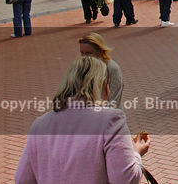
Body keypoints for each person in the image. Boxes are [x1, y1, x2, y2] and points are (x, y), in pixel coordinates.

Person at [15, 56, 149, 184]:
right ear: (101, 84)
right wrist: (136, 153)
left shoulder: (39, 125)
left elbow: (22, 179)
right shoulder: (111, 120)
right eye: (107, 83)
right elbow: (125, 179)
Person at [79, 32, 124, 106]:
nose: (84, 57)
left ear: (100, 51)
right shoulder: (82, 67)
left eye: (88, 53)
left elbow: (114, 99)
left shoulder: (111, 68)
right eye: (82, 53)